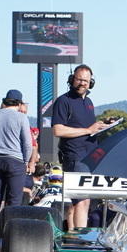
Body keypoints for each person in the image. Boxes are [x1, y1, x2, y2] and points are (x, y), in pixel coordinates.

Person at [51, 64, 115, 232]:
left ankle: (72, 235)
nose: (82, 83)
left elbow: (88, 128)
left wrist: (102, 125)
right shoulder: (63, 101)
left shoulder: (88, 102)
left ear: (91, 82)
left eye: (86, 81)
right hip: (75, 155)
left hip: (90, 155)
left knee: (80, 201)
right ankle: (81, 240)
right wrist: (88, 130)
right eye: (79, 80)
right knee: (82, 200)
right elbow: (58, 130)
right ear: (72, 79)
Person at [0, 89, 35, 233]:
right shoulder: (22, 118)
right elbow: (28, 144)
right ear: (19, 103)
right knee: (14, 200)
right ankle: (9, 231)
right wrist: (25, 161)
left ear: (5, 101)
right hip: (16, 162)